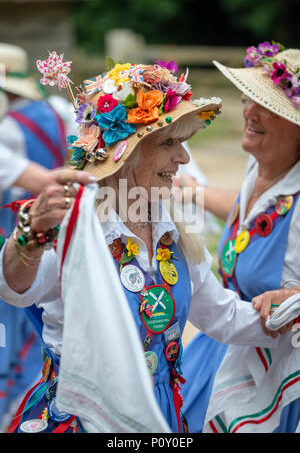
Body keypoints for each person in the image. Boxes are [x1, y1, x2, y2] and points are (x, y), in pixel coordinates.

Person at [0, 56, 298, 434]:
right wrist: (29, 237)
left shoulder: (170, 229)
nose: (184, 157)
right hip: (86, 420)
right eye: (169, 142)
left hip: (161, 418)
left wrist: (290, 310)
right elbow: (14, 288)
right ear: (125, 154)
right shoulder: (77, 223)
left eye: (183, 143)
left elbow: (223, 316)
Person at [176, 42, 300, 433]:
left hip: (267, 382)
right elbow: (250, 209)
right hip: (220, 347)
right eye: (250, 99)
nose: (250, 112)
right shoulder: (260, 165)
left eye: (272, 108)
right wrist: (194, 192)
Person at [0, 43, 70, 430]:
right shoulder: (58, 110)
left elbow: (32, 179)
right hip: (58, 225)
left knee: (10, 322)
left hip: (20, 229)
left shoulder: (7, 130)